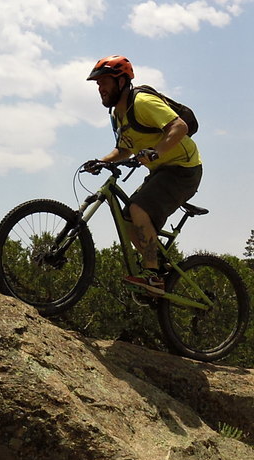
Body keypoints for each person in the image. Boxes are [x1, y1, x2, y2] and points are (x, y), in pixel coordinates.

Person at [81, 56, 202, 296]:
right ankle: (159, 268)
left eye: (104, 82)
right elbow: (124, 149)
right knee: (127, 217)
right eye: (97, 84)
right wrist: (101, 161)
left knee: (138, 208)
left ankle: (152, 276)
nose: (100, 88)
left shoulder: (143, 102)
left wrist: (156, 152)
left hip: (184, 169)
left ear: (121, 81)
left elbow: (179, 127)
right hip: (161, 171)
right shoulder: (118, 115)